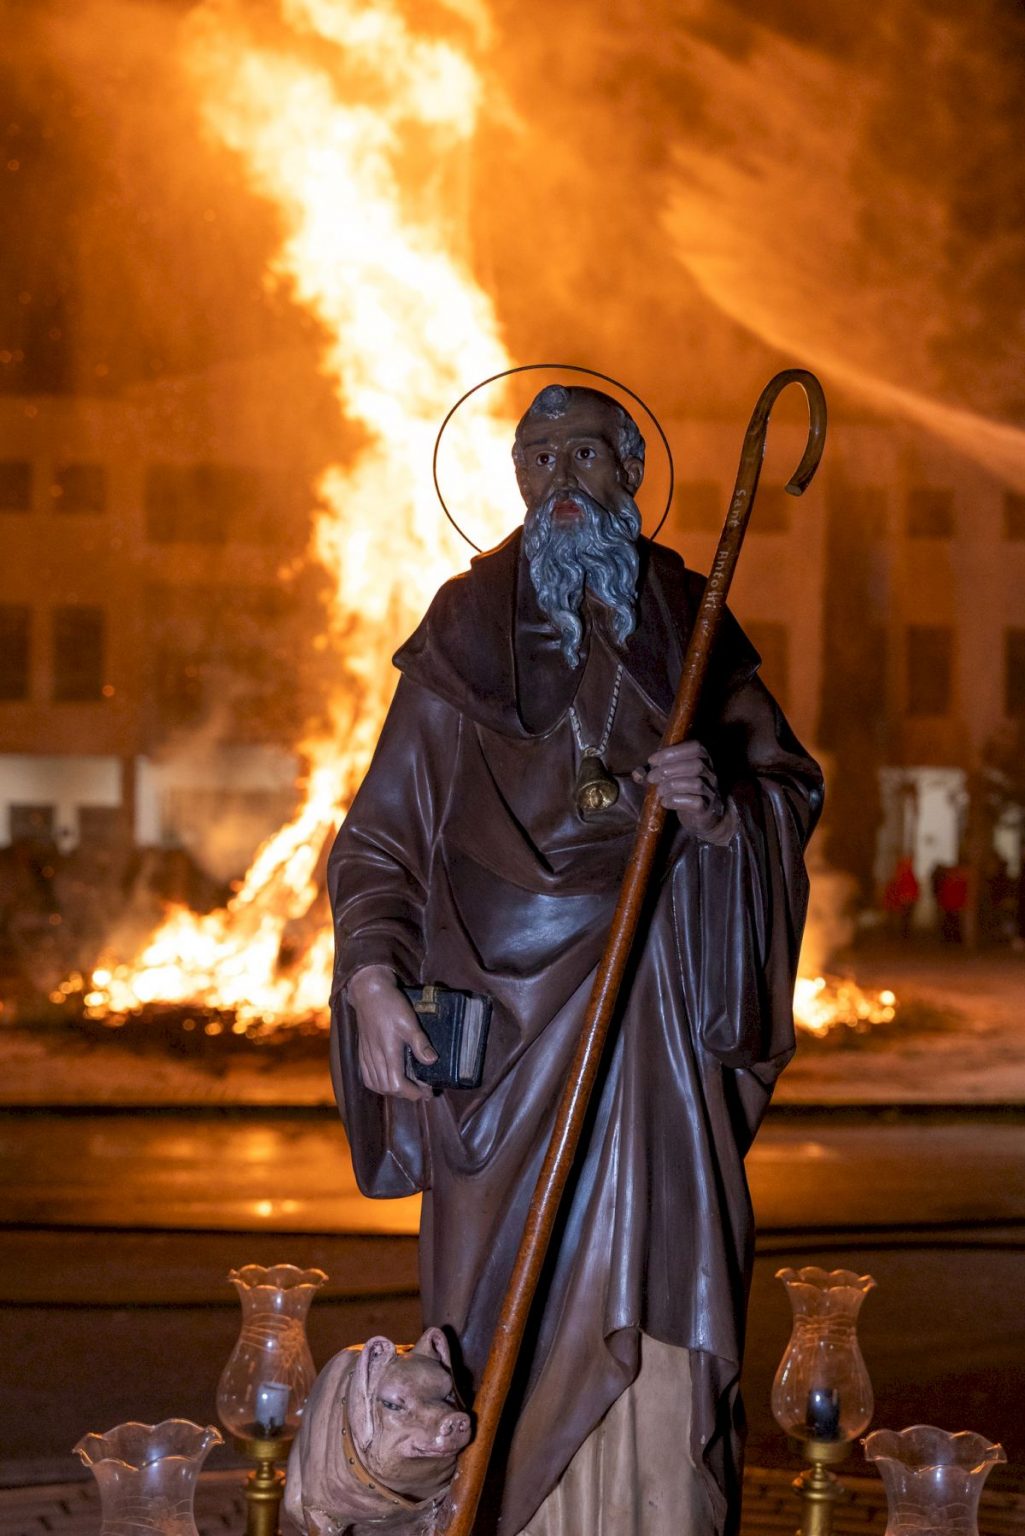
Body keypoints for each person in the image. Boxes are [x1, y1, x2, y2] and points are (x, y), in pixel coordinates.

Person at [327, 385, 823, 1536]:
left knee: (667, 1296)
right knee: (502, 1316)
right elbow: (379, 840)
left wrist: (718, 815)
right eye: (535, 454)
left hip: (654, 1017)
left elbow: (784, 789)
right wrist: (369, 983)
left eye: (584, 452)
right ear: (510, 481)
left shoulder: (689, 621)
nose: (558, 475)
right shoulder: (464, 627)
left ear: (629, 471)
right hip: (502, 1048)